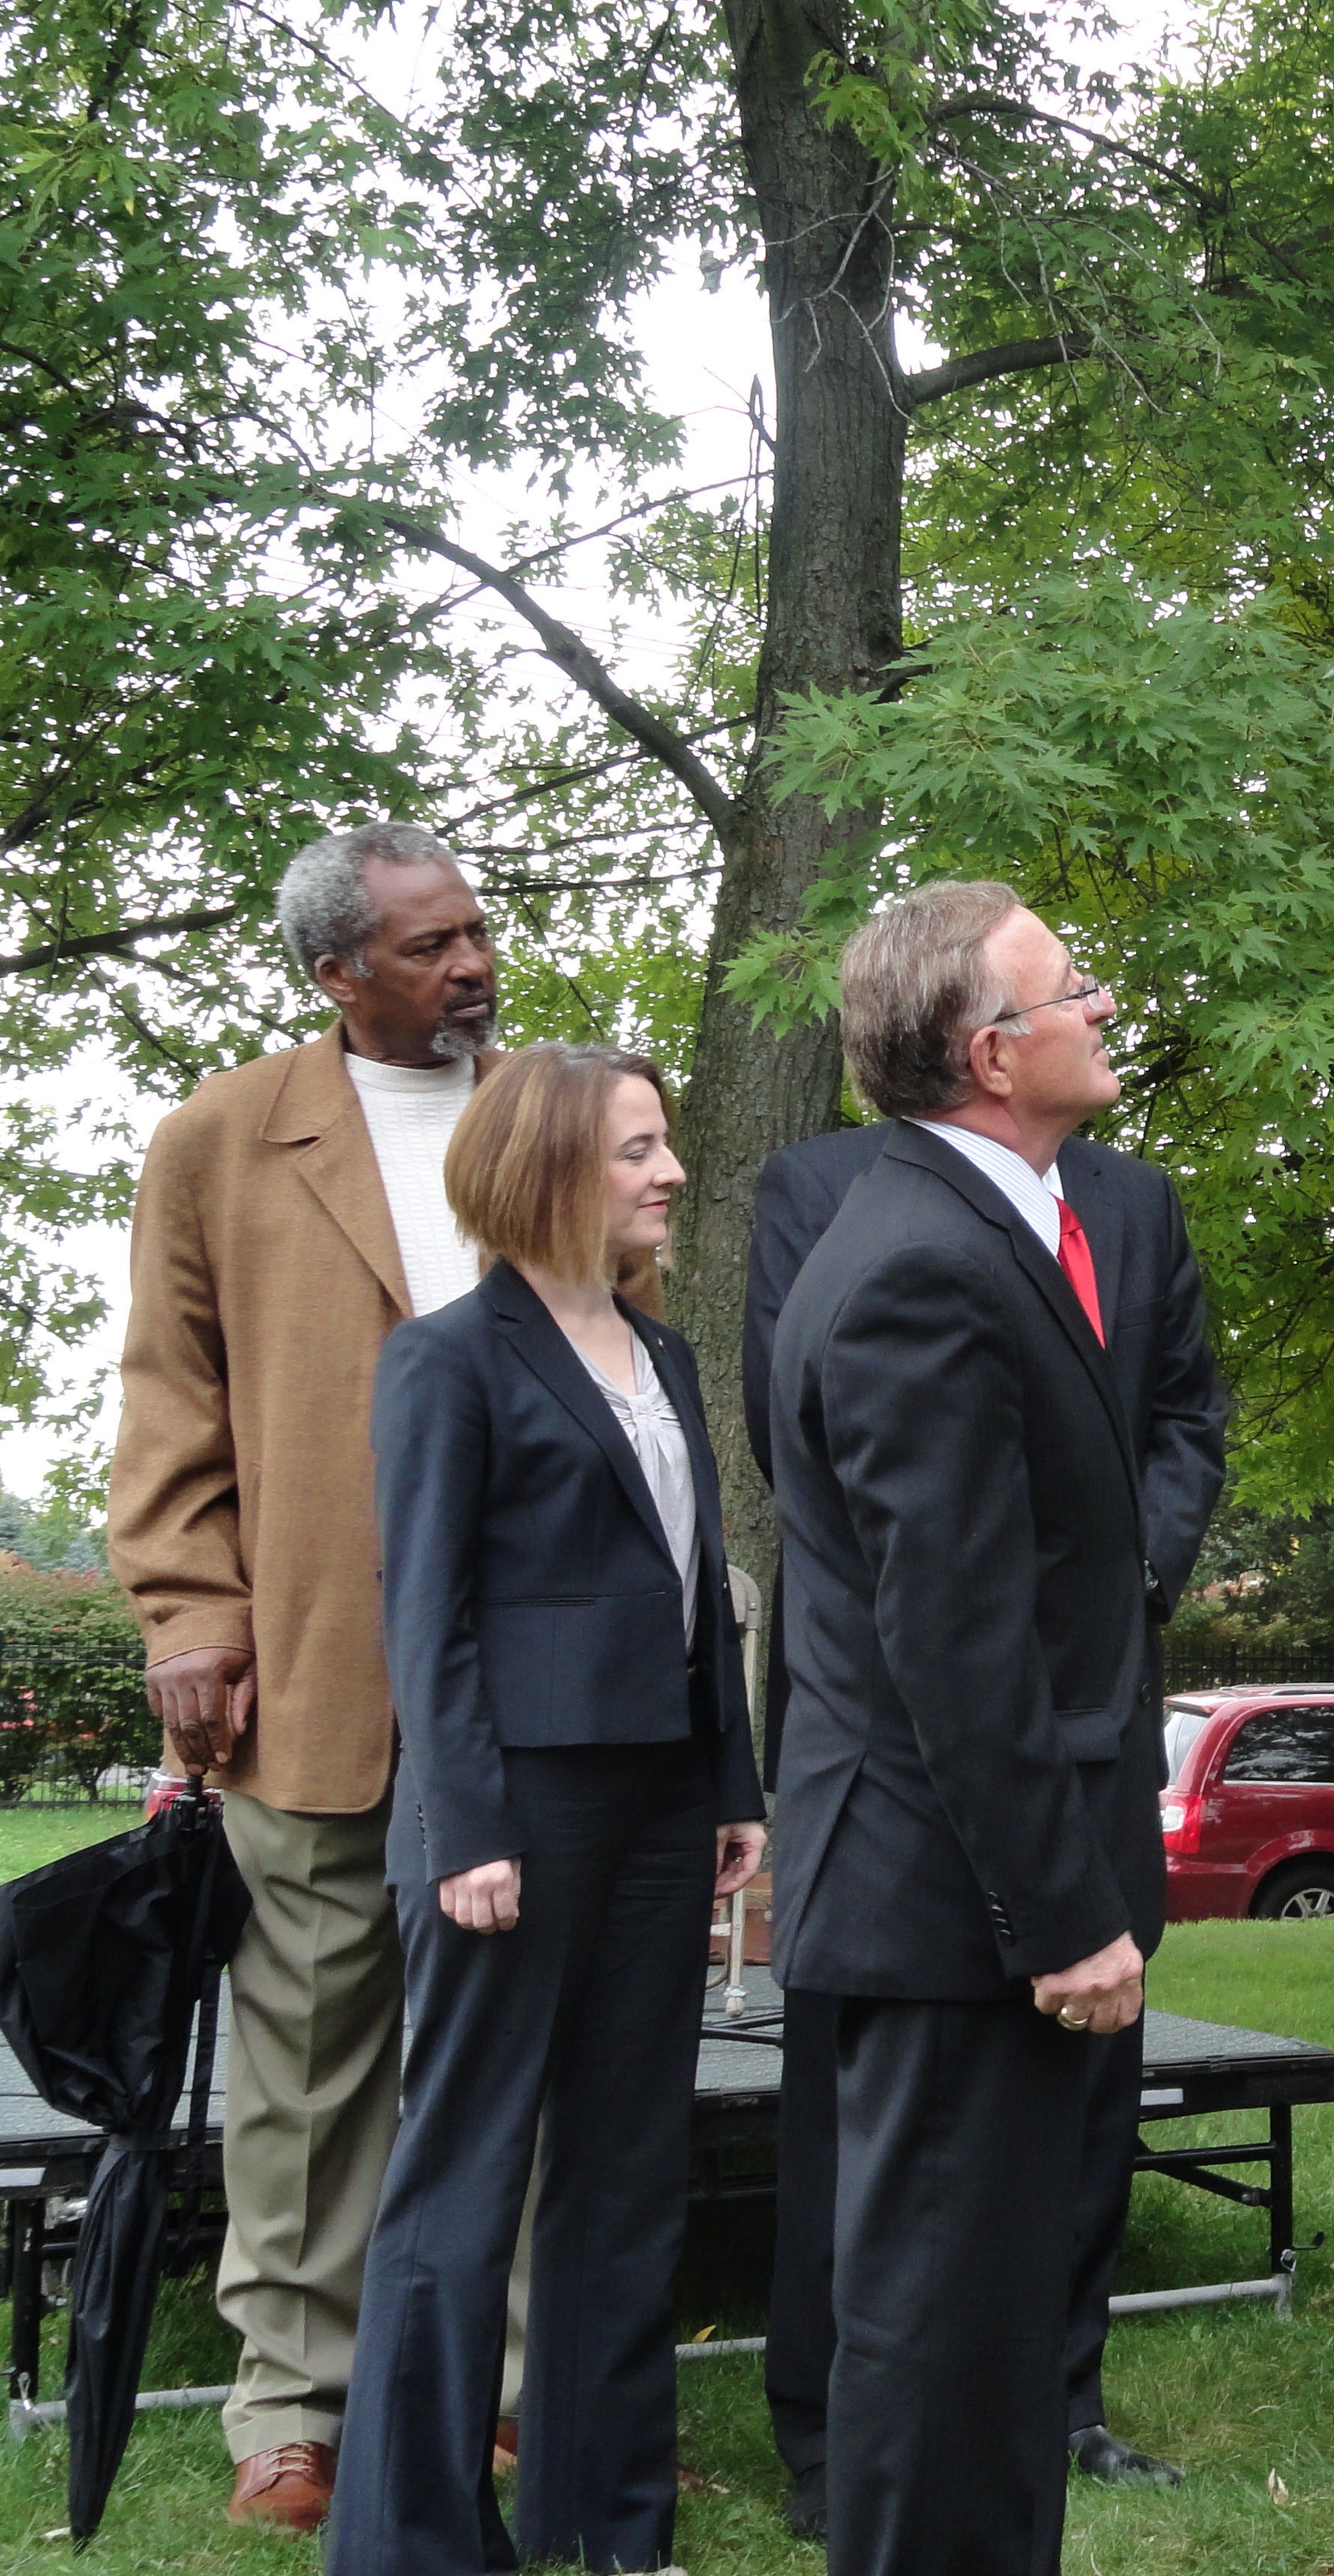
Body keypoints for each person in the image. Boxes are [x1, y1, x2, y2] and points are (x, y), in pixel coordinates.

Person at [106, 818, 531, 2530]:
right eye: (430, 943)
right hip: (317, 1667)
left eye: (478, 929)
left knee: (509, 2052)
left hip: (532, 1666)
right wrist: (190, 1615)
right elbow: (168, 1398)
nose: (472, 963)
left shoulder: (548, 1119)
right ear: (334, 970)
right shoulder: (224, 1135)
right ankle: (291, 2407)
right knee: (306, 2056)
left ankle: (492, 2390)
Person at [743, 1103, 1225, 2539]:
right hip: (941, 1871)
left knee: (979, 2323)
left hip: (993, 1834)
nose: (1100, 998)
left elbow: (1171, 1424)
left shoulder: (977, 1222)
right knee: (931, 2326)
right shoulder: (914, 1258)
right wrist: (1062, 1911)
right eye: (1064, 983)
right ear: (989, 1046)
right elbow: (946, 1621)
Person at [332, 1044, 768, 2575]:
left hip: (660, 1814)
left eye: (664, 1146)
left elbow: (695, 1595)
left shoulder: (666, 1357)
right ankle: (415, 2542)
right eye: (639, 1150)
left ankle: (612, 2519)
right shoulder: (445, 1361)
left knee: (629, 2170)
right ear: (553, 1170)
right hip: (508, 1823)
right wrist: (468, 1835)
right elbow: (428, 1618)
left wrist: (733, 1787)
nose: (669, 1172)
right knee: (460, 2181)